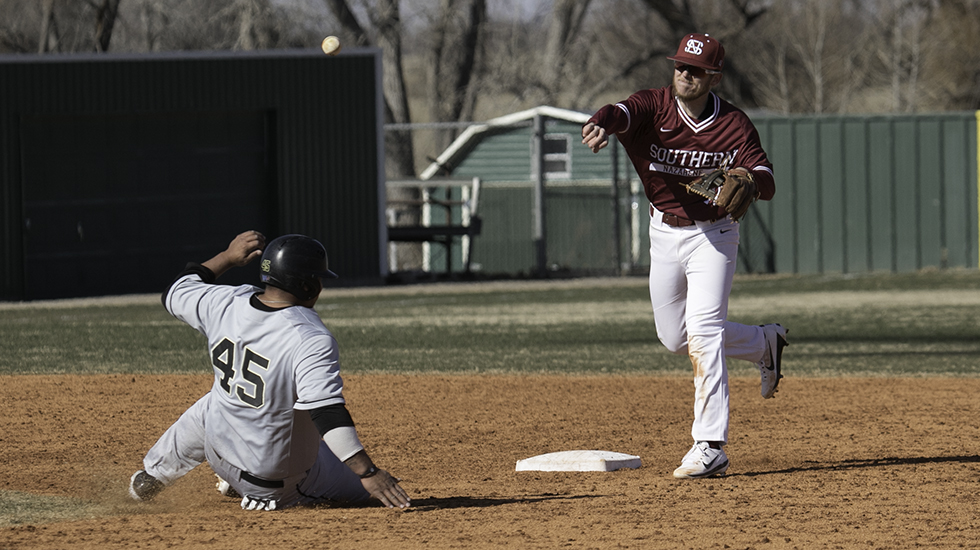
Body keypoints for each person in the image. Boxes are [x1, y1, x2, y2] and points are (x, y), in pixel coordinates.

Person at [580, 33, 788, 479]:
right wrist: (600, 120)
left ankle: (710, 444)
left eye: (694, 70)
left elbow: (766, 176)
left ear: (714, 76)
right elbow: (620, 112)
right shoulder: (654, 107)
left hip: (713, 235)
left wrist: (751, 182)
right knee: (676, 338)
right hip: (664, 232)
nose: (684, 74)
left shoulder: (733, 124)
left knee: (705, 329)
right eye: (680, 66)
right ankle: (762, 343)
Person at [128, 231, 411, 509]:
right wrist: (369, 474)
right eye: (318, 279)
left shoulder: (225, 302)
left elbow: (176, 291)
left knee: (214, 403)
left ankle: (152, 477)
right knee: (358, 490)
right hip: (268, 482)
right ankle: (243, 487)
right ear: (308, 286)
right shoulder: (309, 336)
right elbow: (327, 414)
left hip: (215, 448)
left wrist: (227, 257)